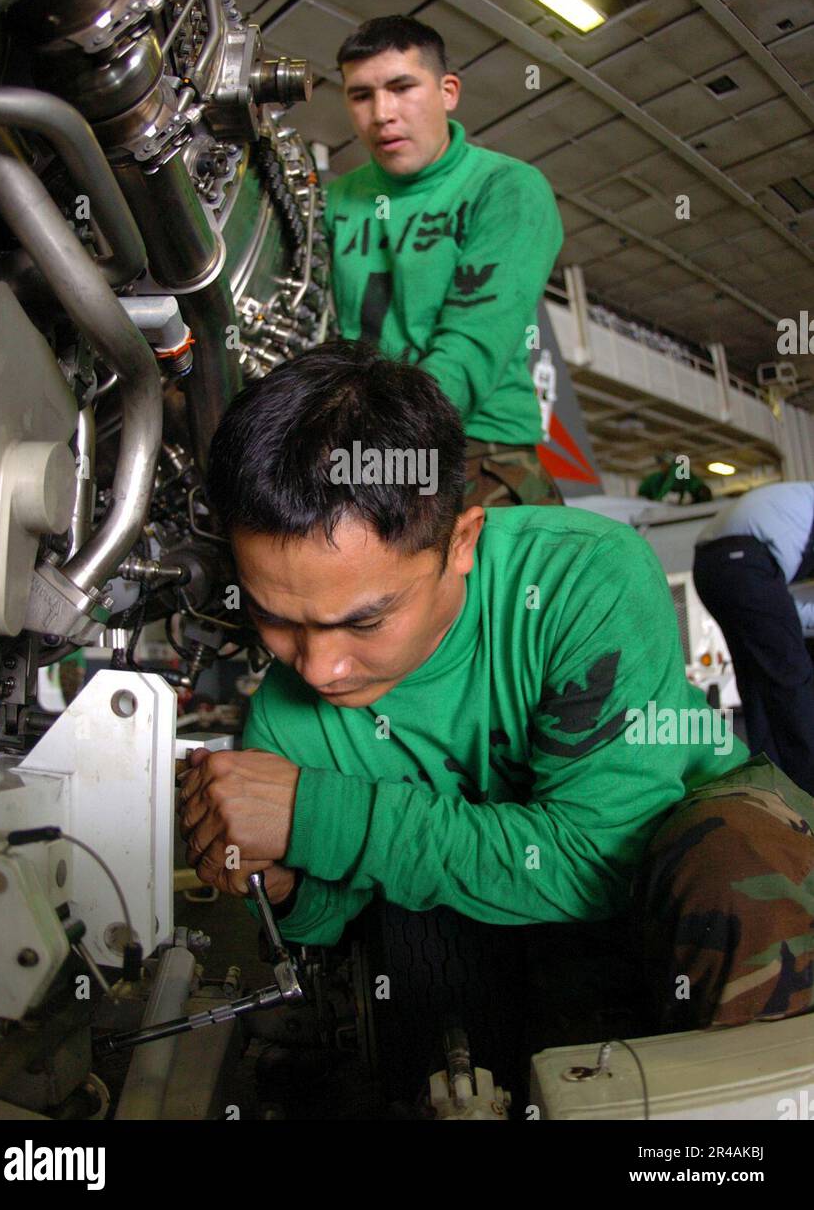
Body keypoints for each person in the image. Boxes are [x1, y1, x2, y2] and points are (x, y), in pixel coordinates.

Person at [179, 342, 814, 1043]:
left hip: (679, 868)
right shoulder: (284, 711)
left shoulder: (583, 576)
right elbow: (331, 919)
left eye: (364, 620)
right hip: (500, 931)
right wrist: (278, 880)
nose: (321, 668)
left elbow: (599, 861)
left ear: (461, 542)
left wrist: (322, 817)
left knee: (732, 867)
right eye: (276, 617)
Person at [324, 14, 564, 507]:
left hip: (477, 447)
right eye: (361, 95)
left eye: (401, 87)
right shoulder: (331, 201)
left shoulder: (506, 187)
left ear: (448, 91)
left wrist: (383, 451)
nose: (382, 113)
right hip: (357, 450)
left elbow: (472, 343)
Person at [693, 481, 814, 795]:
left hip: (708, 565)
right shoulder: (803, 513)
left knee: (758, 682)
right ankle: (807, 790)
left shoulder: (798, 501)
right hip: (741, 558)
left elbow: (782, 612)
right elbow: (782, 612)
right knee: (791, 677)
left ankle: (774, 787)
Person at [638, 451, 712, 504]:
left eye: (662, 464)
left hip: (701, 493)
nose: (661, 467)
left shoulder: (676, 469)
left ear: (668, 463)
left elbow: (668, 486)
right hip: (698, 493)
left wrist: (658, 501)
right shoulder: (676, 470)